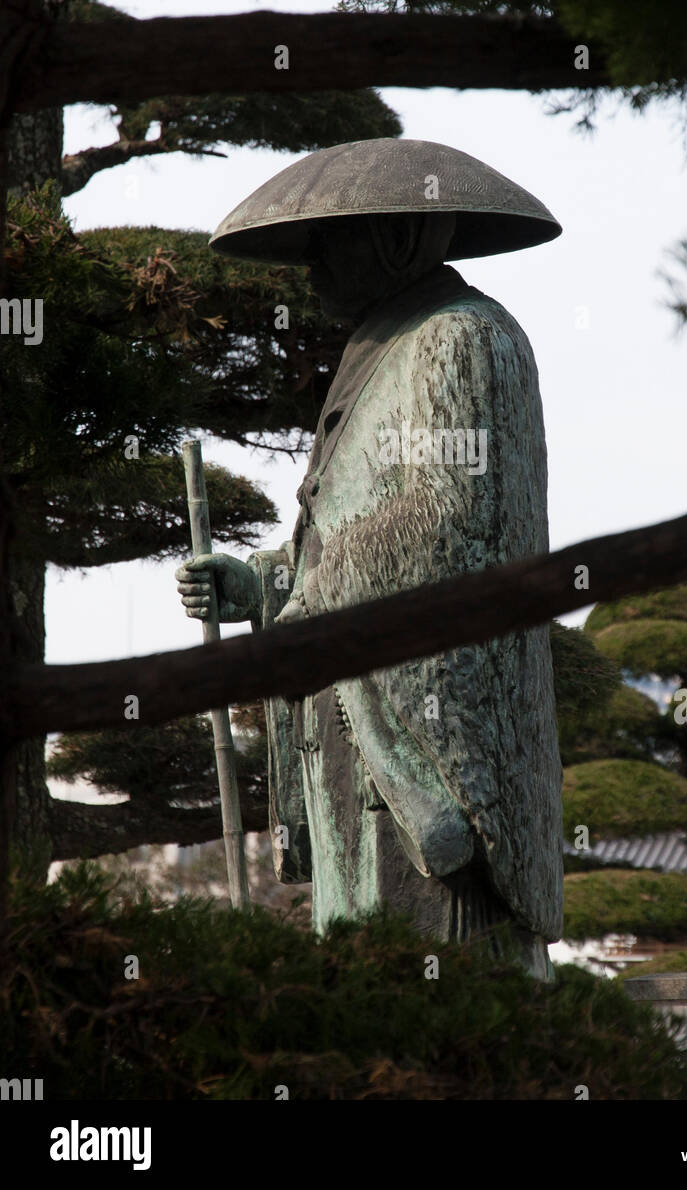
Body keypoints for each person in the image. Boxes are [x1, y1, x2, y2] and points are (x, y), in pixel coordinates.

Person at [176, 139, 563, 979]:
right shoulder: (382, 348)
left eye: (332, 243)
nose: (312, 269)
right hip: (354, 709)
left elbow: (447, 521)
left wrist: (310, 602)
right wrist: (264, 580)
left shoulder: (461, 339)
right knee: (364, 966)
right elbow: (346, 528)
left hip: (427, 728)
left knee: (436, 972)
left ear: (397, 239)